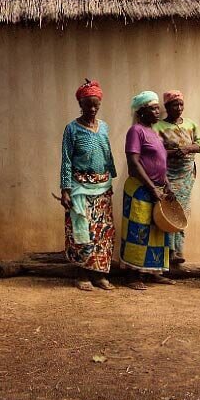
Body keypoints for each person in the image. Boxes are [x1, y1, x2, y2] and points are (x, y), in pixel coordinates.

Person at [59, 79, 117, 291]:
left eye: (96, 105)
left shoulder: (104, 127)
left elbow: (107, 153)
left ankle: (99, 274)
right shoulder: (72, 129)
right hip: (79, 187)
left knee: (102, 231)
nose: (92, 109)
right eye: (88, 105)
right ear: (80, 105)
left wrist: (111, 177)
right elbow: (66, 159)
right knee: (81, 231)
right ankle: (82, 275)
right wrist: (65, 189)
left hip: (102, 187)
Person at [120, 91, 176, 290]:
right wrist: (152, 188)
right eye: (152, 108)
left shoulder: (154, 132)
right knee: (138, 231)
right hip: (140, 189)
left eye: (157, 107)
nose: (157, 111)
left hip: (156, 189)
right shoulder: (136, 131)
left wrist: (166, 184)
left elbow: (160, 162)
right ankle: (132, 275)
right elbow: (134, 163)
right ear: (142, 112)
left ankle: (154, 272)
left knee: (156, 231)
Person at [153, 90, 200, 265]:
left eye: (181, 104)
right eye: (175, 105)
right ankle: (169, 252)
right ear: (166, 107)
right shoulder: (158, 127)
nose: (179, 108)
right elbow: (156, 153)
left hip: (186, 176)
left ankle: (179, 252)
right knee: (168, 212)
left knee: (183, 212)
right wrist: (175, 152)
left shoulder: (191, 125)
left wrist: (188, 149)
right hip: (167, 175)